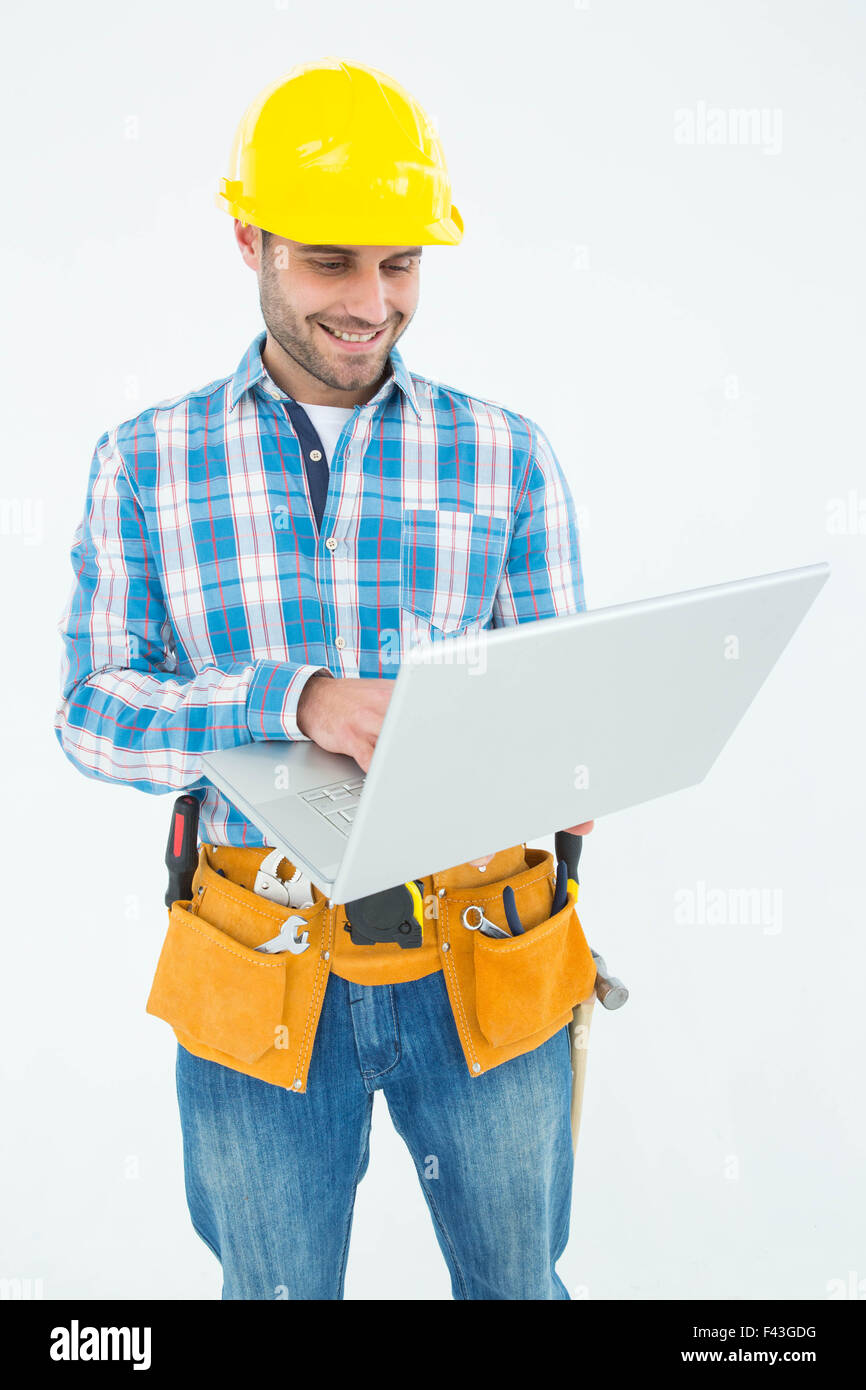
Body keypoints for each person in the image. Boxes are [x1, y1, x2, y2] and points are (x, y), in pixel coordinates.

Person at [54, 57, 596, 1301]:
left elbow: (557, 701)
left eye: (400, 264)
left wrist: (573, 768)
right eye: (331, 261)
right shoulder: (146, 462)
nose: (371, 301)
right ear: (249, 236)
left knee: (520, 1289)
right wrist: (292, 698)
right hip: (258, 956)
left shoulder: (506, 456)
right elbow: (91, 713)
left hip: (486, 945)